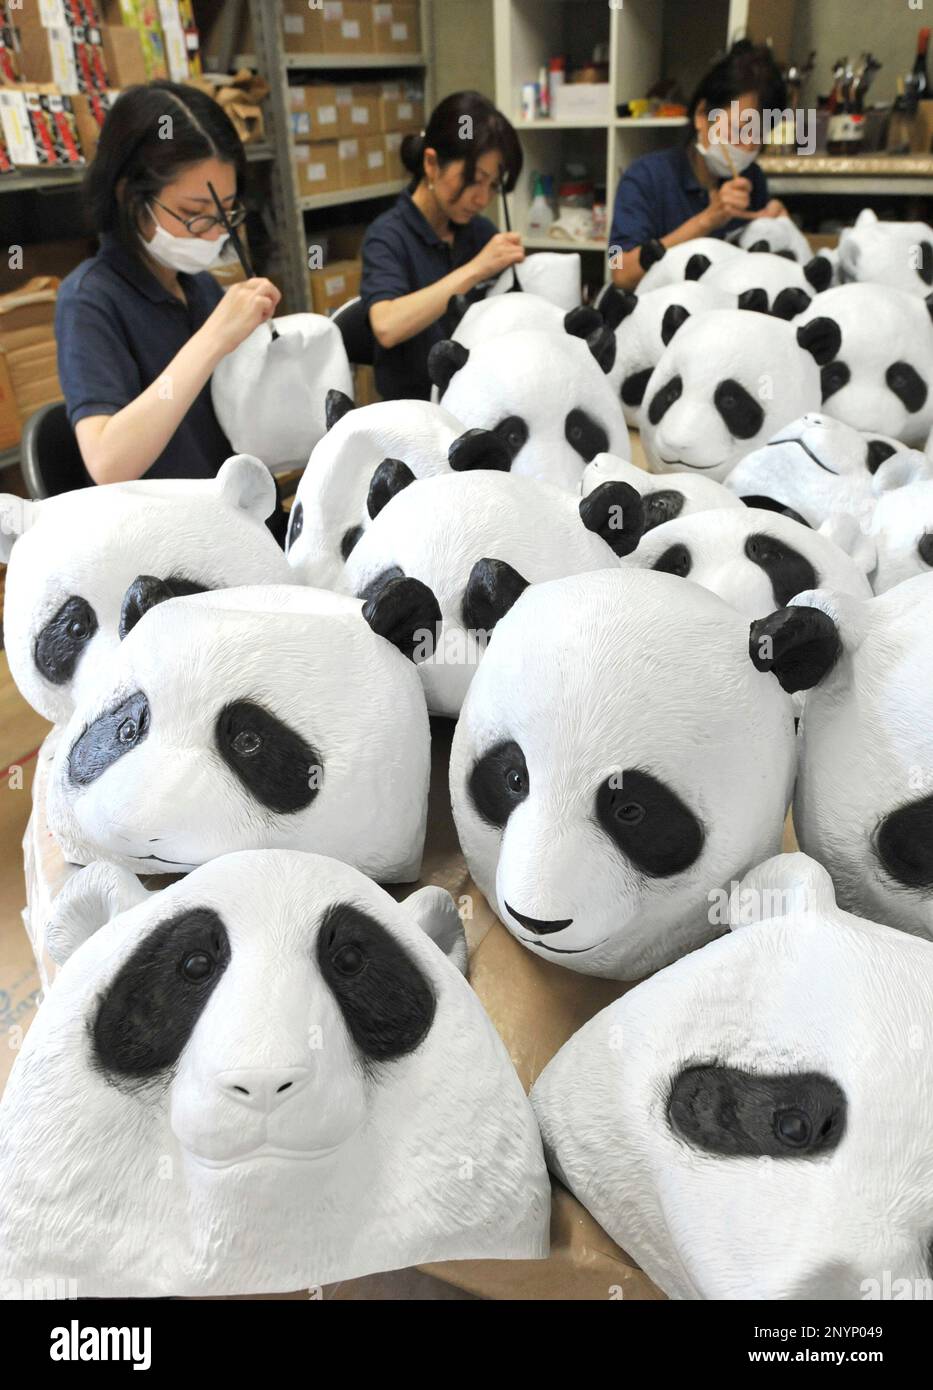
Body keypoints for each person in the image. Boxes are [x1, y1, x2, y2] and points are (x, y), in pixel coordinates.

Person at [56, 80, 282, 486]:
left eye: (226, 213)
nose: (215, 235)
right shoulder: (88, 300)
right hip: (163, 537)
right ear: (130, 196)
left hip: (229, 513)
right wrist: (213, 338)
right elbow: (108, 462)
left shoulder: (197, 286)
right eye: (195, 213)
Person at [361, 90, 525, 400]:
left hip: (478, 401)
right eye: (474, 179)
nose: (481, 198)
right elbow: (386, 325)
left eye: (492, 186)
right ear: (432, 163)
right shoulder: (387, 236)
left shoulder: (479, 233)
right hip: (413, 416)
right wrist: (476, 269)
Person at [609, 41, 790, 292]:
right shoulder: (644, 177)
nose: (748, 147)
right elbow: (619, 270)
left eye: (759, 135)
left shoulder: (752, 179)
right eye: (739, 130)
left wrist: (772, 227)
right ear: (702, 115)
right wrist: (707, 221)